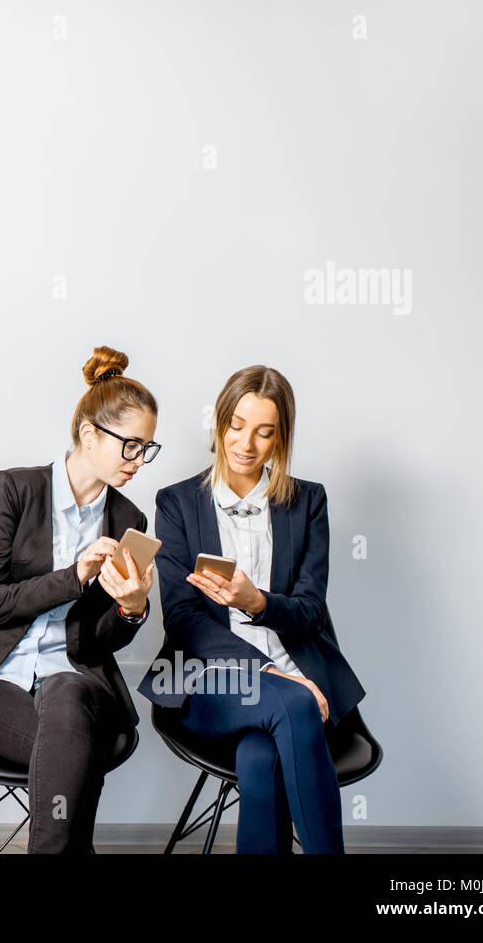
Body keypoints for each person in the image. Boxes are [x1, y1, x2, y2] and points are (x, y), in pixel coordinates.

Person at [0, 346, 160, 853]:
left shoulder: (129, 521)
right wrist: (74, 576)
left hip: (73, 677)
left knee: (69, 694)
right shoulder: (14, 489)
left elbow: (97, 644)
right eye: (131, 446)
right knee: (72, 755)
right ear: (89, 433)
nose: (139, 461)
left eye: (148, 448)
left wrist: (131, 608)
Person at [137, 365, 366, 853]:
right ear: (219, 423)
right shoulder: (177, 502)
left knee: (260, 758)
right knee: (295, 703)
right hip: (204, 676)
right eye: (236, 425)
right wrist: (271, 673)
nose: (246, 443)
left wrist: (257, 603)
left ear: (280, 439)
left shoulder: (307, 502)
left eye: (265, 432)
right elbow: (183, 620)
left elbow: (309, 612)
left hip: (294, 673)